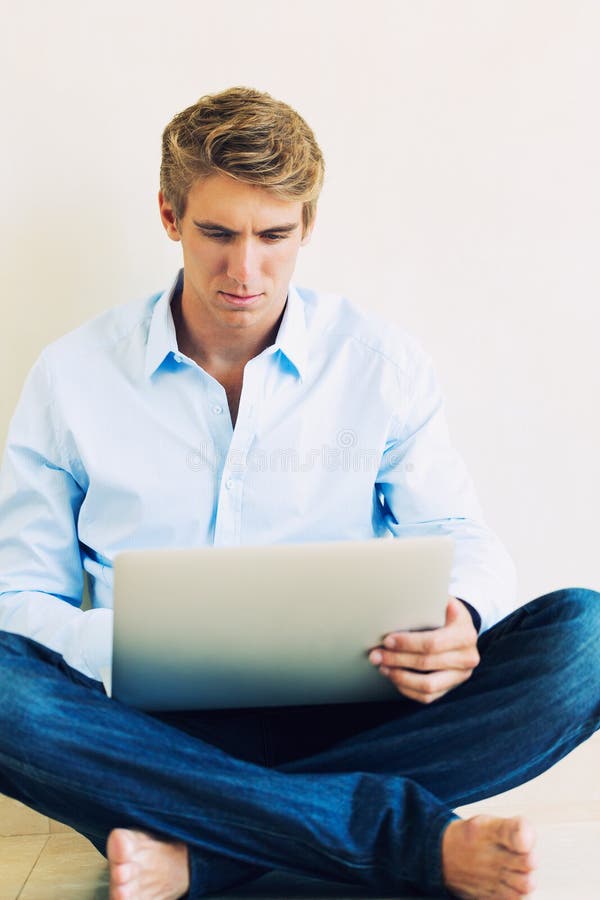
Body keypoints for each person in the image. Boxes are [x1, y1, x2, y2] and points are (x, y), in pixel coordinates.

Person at [0, 86, 598, 900]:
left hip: (347, 708)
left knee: (587, 640)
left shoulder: (379, 362)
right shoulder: (71, 376)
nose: (245, 269)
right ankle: (397, 839)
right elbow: (17, 594)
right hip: (146, 731)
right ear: (170, 215)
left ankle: (210, 850)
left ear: (307, 226)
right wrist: (122, 654)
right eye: (216, 232)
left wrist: (459, 617)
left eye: (274, 235)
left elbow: (460, 530)